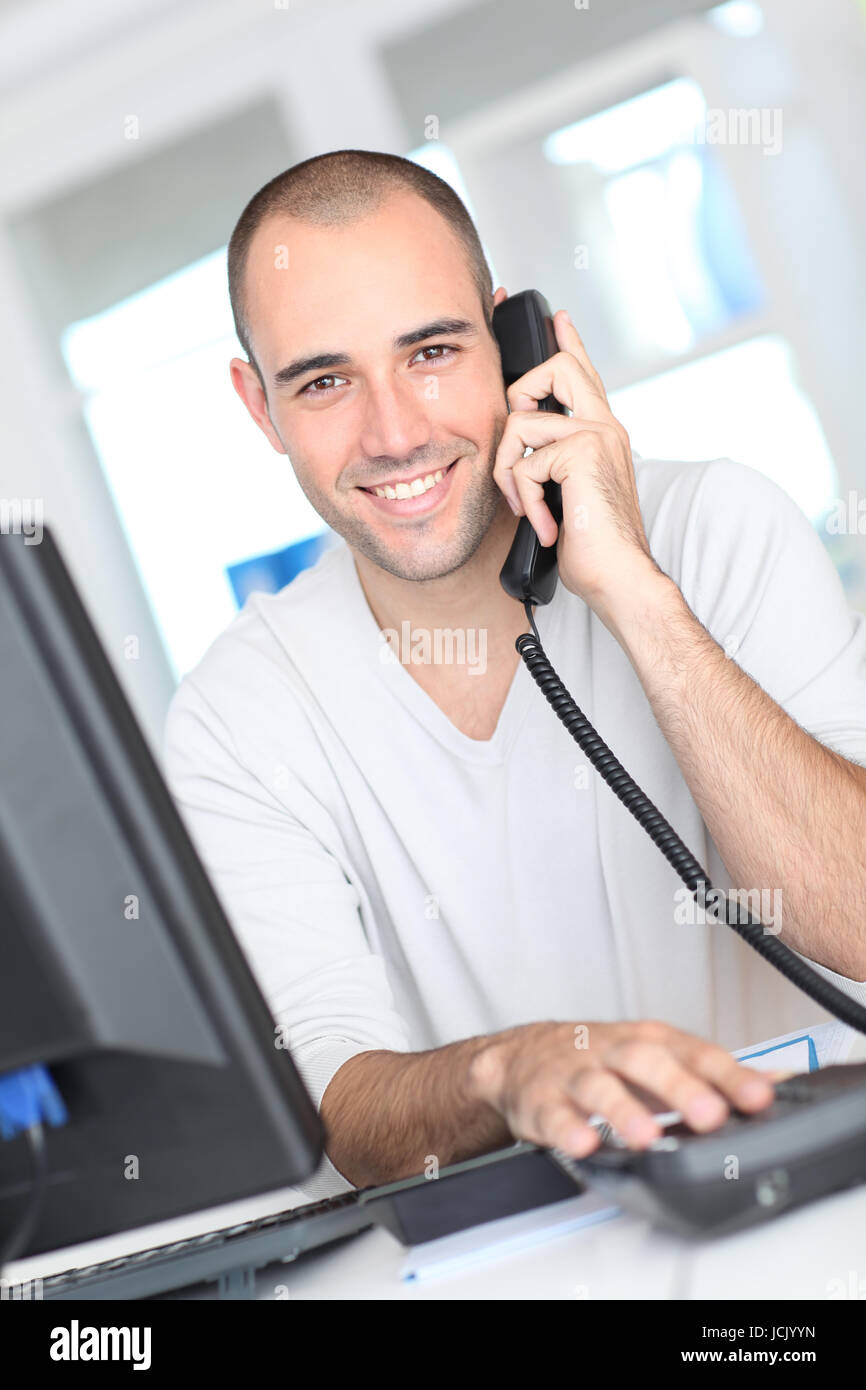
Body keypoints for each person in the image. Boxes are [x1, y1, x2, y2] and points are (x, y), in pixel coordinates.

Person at [163, 150, 866, 1199]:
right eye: (324, 381)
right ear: (259, 407)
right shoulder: (235, 716)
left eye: (431, 351)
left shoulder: (718, 527)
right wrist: (508, 1070)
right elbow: (330, 1104)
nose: (395, 432)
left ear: (513, 343)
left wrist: (630, 592)